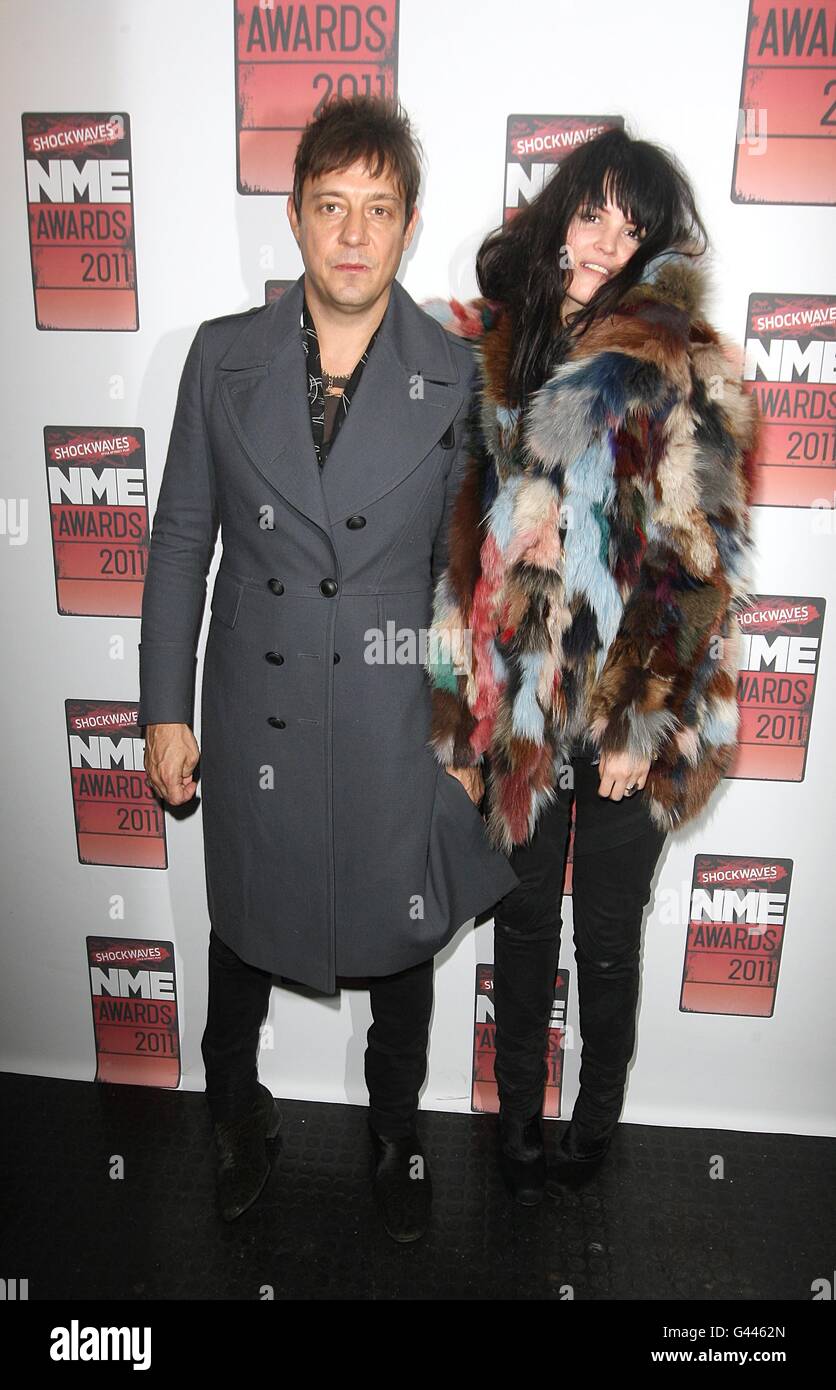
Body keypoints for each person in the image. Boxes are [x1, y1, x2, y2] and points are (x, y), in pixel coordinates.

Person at [137, 94, 518, 1242]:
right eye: (330, 207)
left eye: (379, 210)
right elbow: (178, 540)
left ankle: (397, 1128)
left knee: (403, 934)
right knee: (243, 925)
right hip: (254, 709)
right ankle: (235, 1113)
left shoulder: (455, 374)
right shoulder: (219, 358)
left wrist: (469, 738)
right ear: (295, 217)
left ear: (407, 227)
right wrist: (163, 708)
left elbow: (484, 577)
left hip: (398, 710)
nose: (353, 235)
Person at [424, 126, 760, 1204]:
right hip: (521, 697)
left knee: (603, 936)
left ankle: (596, 1128)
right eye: (592, 209)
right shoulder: (499, 342)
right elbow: (457, 529)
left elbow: (695, 556)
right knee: (520, 924)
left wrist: (638, 719)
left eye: (633, 224)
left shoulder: (679, 357)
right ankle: (514, 1121)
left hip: (625, 694)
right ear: (561, 206)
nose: (605, 239)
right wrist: (456, 701)